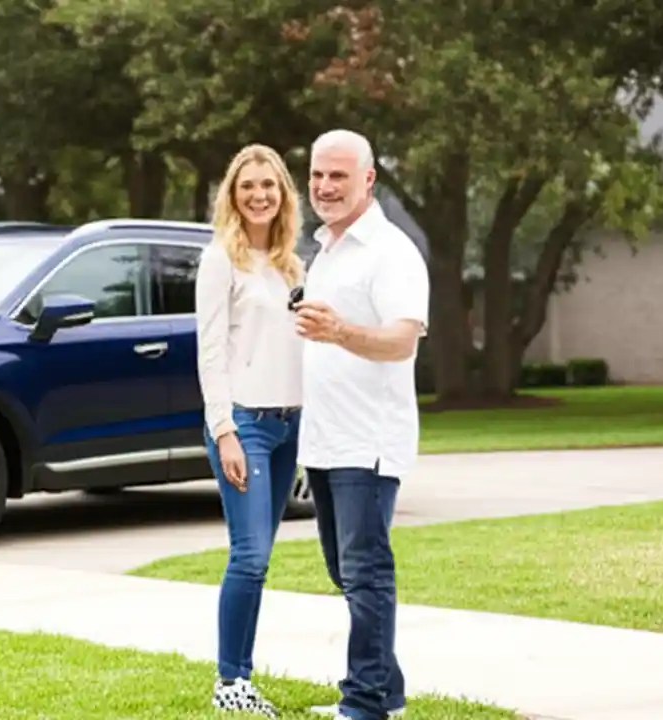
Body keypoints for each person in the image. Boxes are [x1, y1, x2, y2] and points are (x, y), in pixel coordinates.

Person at [292, 129, 429, 720]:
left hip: (368, 444)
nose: (324, 186)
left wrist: (341, 332)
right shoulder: (326, 250)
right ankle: (387, 693)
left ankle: (366, 703)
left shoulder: (390, 252)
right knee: (344, 570)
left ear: (368, 180)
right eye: (318, 174)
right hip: (324, 440)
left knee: (365, 571)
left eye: (339, 176)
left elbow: (402, 339)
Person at [195, 143, 306, 718]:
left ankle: (239, 677)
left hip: (292, 423)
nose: (259, 195)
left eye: (269, 185)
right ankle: (230, 681)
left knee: (262, 555)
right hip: (246, 426)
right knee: (250, 555)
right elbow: (210, 354)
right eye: (248, 186)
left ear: (283, 193)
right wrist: (225, 432)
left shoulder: (292, 265)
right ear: (233, 197)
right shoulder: (221, 261)